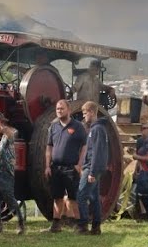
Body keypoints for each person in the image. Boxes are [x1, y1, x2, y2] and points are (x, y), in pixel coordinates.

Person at [44, 99, 86, 233]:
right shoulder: (53, 127)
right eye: (57, 109)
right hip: (56, 167)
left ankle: (81, 225)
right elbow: (49, 147)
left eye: (61, 108)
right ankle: (56, 225)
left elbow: (85, 146)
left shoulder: (78, 126)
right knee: (57, 197)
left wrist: (79, 165)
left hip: (71, 167)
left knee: (74, 197)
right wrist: (47, 166)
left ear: (68, 110)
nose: (59, 111)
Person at [0, 112, 25, 234]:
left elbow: (9, 134)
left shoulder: (10, 131)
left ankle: (21, 224)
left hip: (5, 171)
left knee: (10, 199)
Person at [77, 100, 108, 235]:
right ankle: (96, 227)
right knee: (94, 198)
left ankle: (83, 225)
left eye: (85, 113)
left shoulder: (96, 130)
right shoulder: (98, 129)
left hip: (91, 168)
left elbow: (96, 152)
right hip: (92, 167)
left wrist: (92, 172)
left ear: (91, 112)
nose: (84, 116)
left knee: (81, 195)